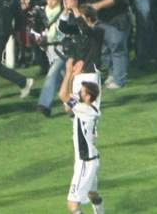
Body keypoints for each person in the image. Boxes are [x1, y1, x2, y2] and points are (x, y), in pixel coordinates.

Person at [58, 68, 103, 214]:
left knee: (72, 204)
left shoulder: (84, 110)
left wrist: (68, 72)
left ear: (88, 97)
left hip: (85, 161)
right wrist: (72, 77)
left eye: (82, 92)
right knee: (92, 193)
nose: (79, 93)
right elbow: (69, 101)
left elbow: (63, 95)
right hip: (92, 158)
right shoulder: (90, 108)